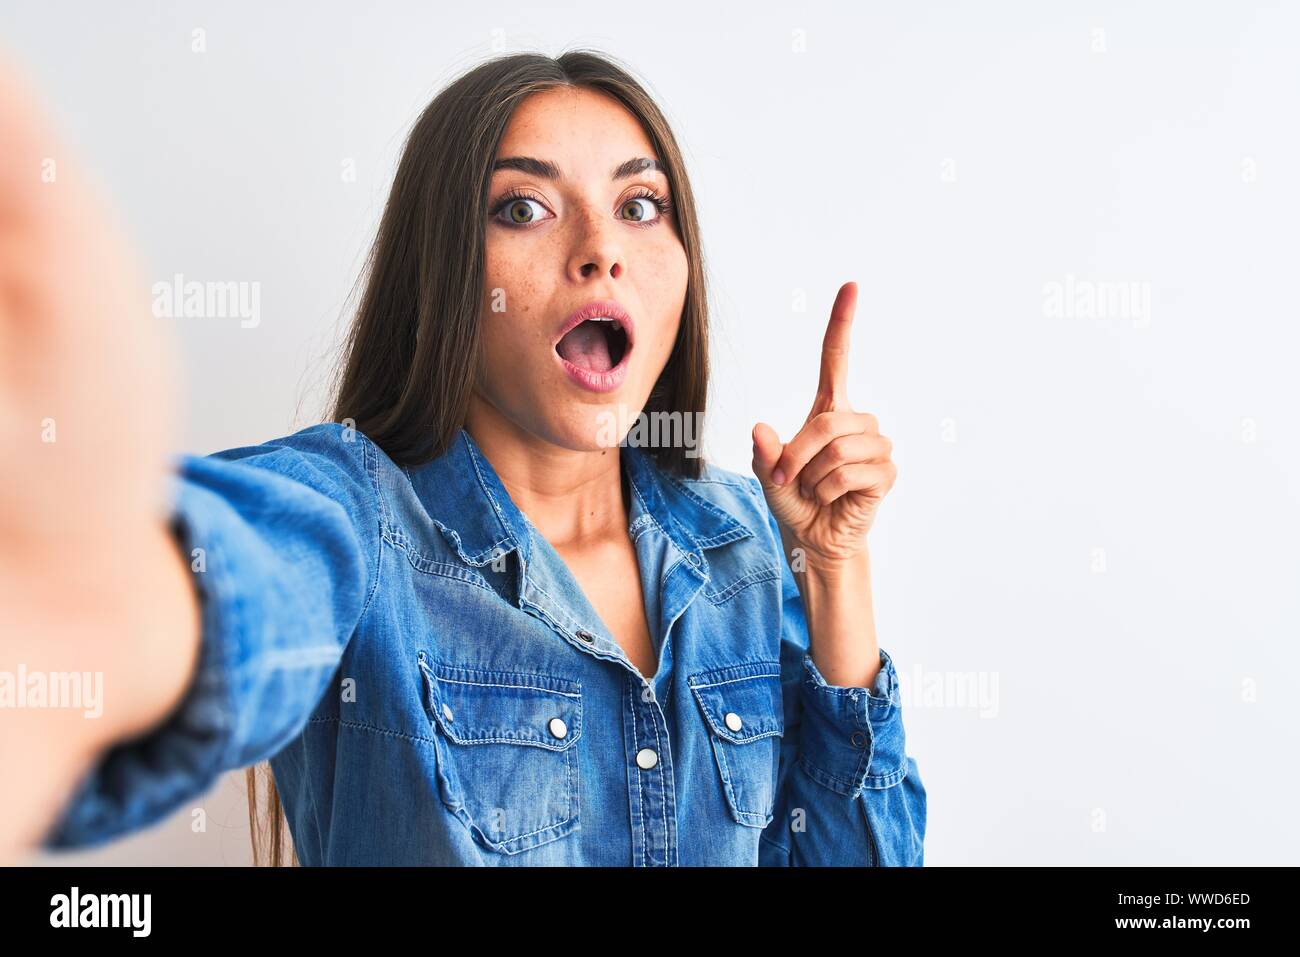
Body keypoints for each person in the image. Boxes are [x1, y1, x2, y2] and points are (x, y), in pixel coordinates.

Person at [0, 49, 925, 866]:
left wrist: (835, 570)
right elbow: (229, 585)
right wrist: (86, 617)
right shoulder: (354, 516)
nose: (601, 249)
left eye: (640, 205)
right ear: (447, 272)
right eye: (523, 207)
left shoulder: (749, 541)